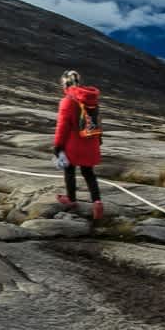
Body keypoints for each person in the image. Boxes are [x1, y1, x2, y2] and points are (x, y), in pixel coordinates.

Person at [52, 69, 106, 220]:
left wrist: (57, 146)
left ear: (65, 84)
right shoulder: (91, 100)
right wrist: (98, 140)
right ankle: (97, 202)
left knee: (69, 171)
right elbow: (98, 121)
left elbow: (62, 127)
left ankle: (72, 200)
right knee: (89, 173)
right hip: (91, 142)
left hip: (73, 145)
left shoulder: (67, 101)